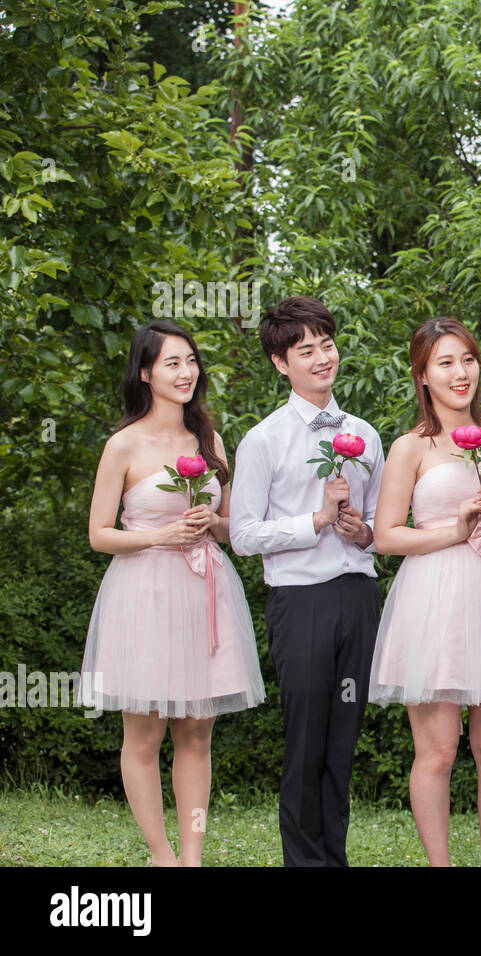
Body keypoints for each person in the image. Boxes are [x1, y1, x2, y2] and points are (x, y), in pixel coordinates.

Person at [82, 320, 264, 866]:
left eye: (191, 361)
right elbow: (98, 534)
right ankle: (160, 854)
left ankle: (192, 857)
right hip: (143, 592)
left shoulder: (209, 439)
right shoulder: (124, 444)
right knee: (144, 734)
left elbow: (234, 528)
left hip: (203, 589)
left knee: (197, 731)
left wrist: (212, 526)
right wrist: (160, 534)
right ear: (145, 373)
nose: (186, 373)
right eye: (172, 363)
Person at [369, 317, 481, 866]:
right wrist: (456, 528)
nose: (460, 372)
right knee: (439, 750)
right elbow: (384, 536)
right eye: (444, 363)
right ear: (423, 376)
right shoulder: (409, 448)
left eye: (467, 359)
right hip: (435, 597)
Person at [229, 296, 385, 867]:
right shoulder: (263, 440)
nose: (323, 357)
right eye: (306, 349)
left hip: (358, 595)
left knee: (343, 740)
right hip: (300, 602)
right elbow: (243, 533)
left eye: (327, 343)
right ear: (280, 363)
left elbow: (378, 526)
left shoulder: (365, 435)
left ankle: (333, 859)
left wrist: (359, 530)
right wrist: (314, 522)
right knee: (305, 741)